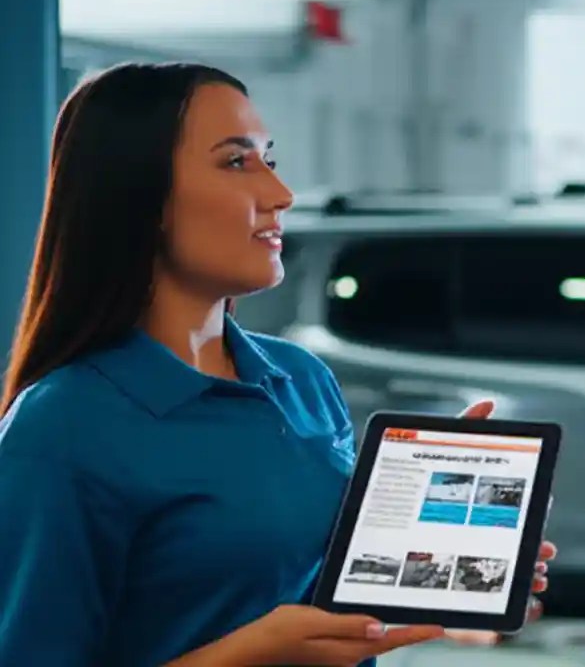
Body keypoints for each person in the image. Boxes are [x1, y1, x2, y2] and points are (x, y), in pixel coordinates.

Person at [0, 62, 556, 666]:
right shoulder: (63, 427)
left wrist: (454, 579)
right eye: (237, 162)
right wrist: (248, 656)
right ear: (142, 195)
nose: (280, 194)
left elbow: (315, 599)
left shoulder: (301, 380)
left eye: (270, 159)